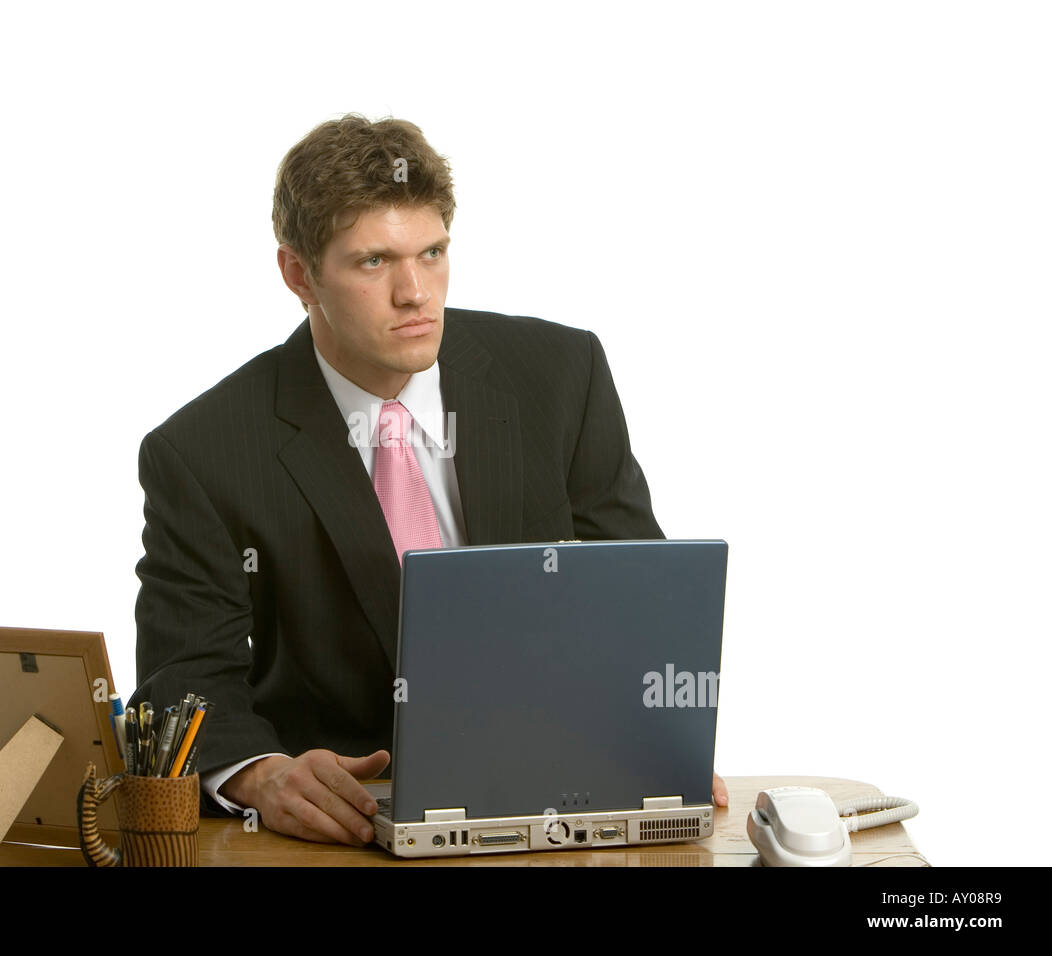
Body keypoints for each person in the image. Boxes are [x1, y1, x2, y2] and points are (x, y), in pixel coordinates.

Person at [129, 114, 727, 846]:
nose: (416, 292)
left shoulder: (560, 375)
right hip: (345, 821)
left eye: (433, 252)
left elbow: (637, 593)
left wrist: (661, 741)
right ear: (297, 273)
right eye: (374, 262)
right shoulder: (204, 450)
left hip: (556, 797)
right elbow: (185, 675)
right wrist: (260, 774)